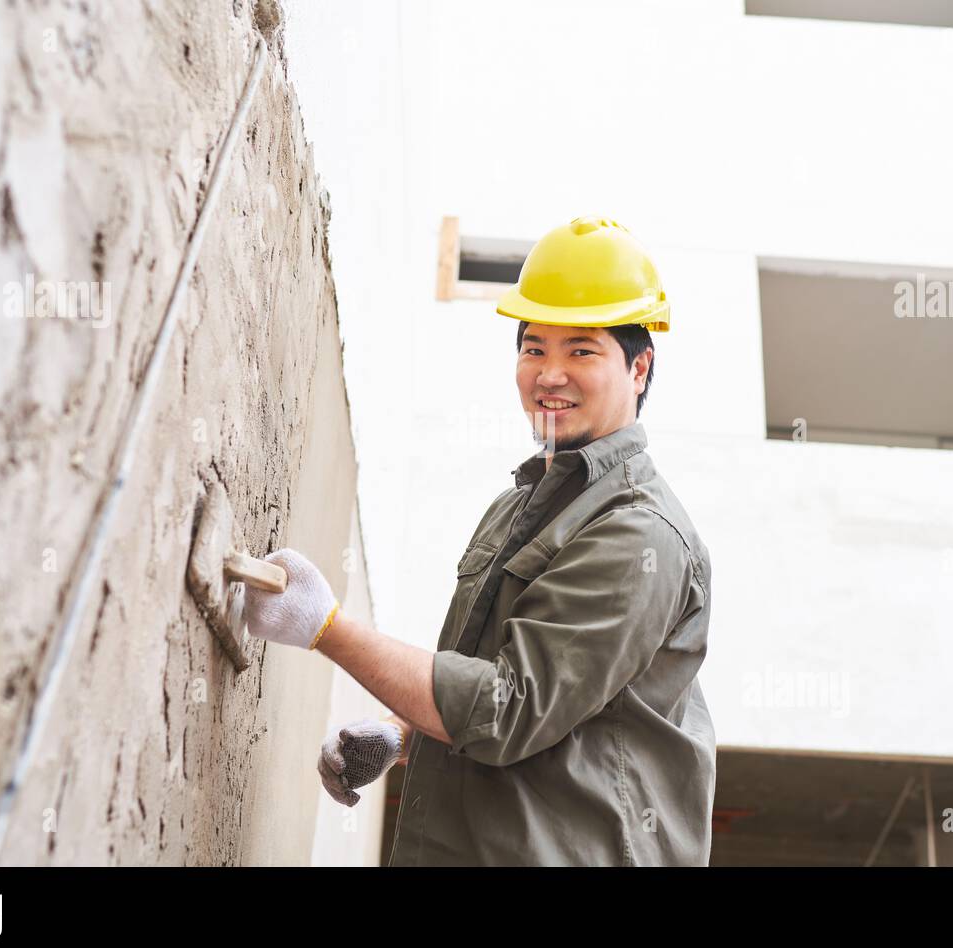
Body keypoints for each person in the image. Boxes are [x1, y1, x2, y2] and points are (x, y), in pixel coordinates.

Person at [243, 216, 717, 866]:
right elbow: (527, 683)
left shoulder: (639, 533)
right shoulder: (516, 509)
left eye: (581, 350)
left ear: (639, 368)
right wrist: (402, 731)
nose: (550, 373)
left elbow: (511, 706)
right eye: (533, 348)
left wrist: (325, 626)